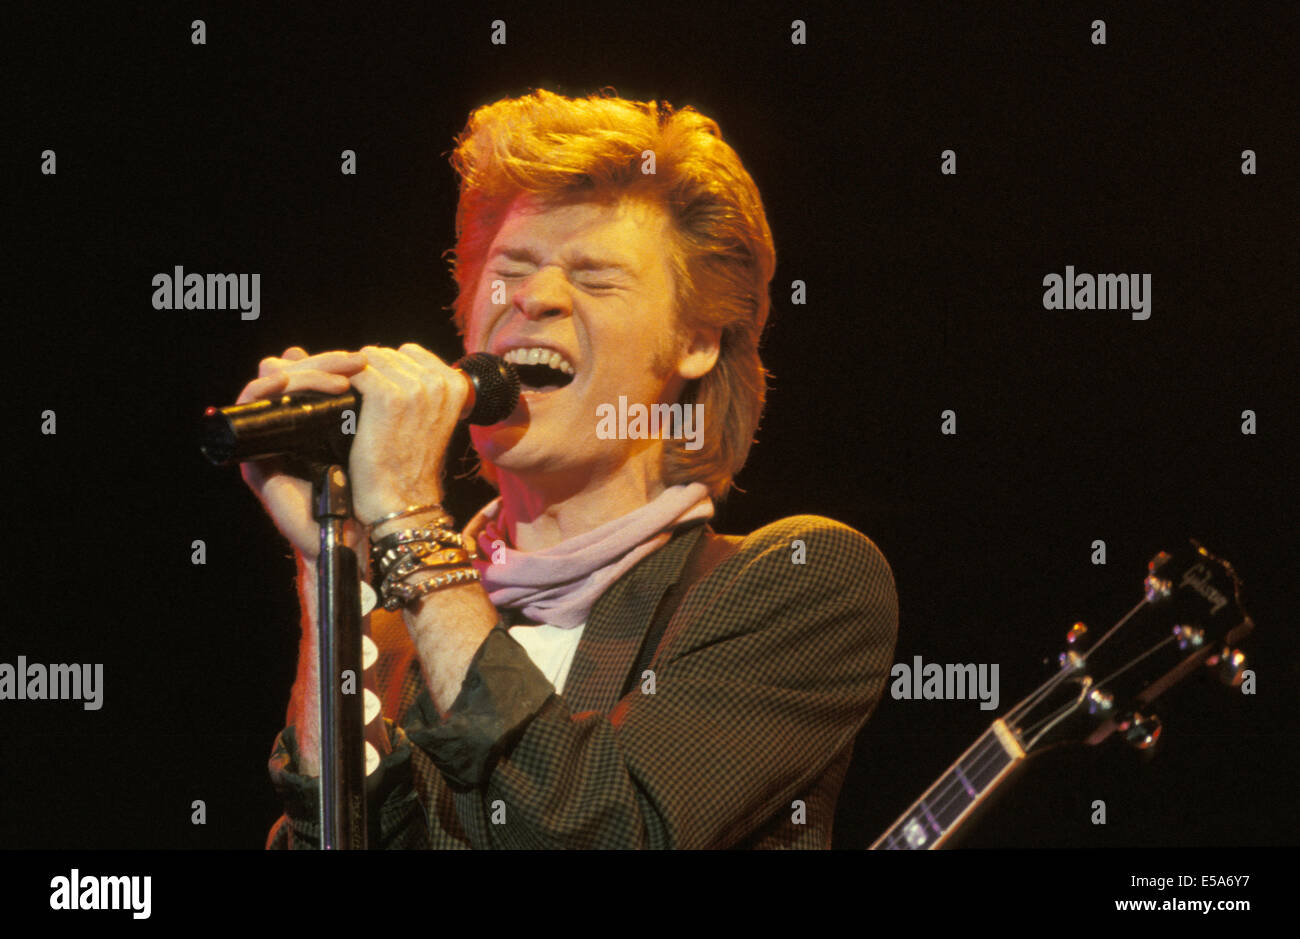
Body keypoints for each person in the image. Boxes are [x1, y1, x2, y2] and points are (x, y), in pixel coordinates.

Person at [239, 88, 899, 849]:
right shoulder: (397, 626)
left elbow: (603, 829)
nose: (535, 296)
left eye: (594, 277)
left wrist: (412, 526)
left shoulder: (801, 582)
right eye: (511, 268)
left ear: (696, 341)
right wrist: (333, 572)